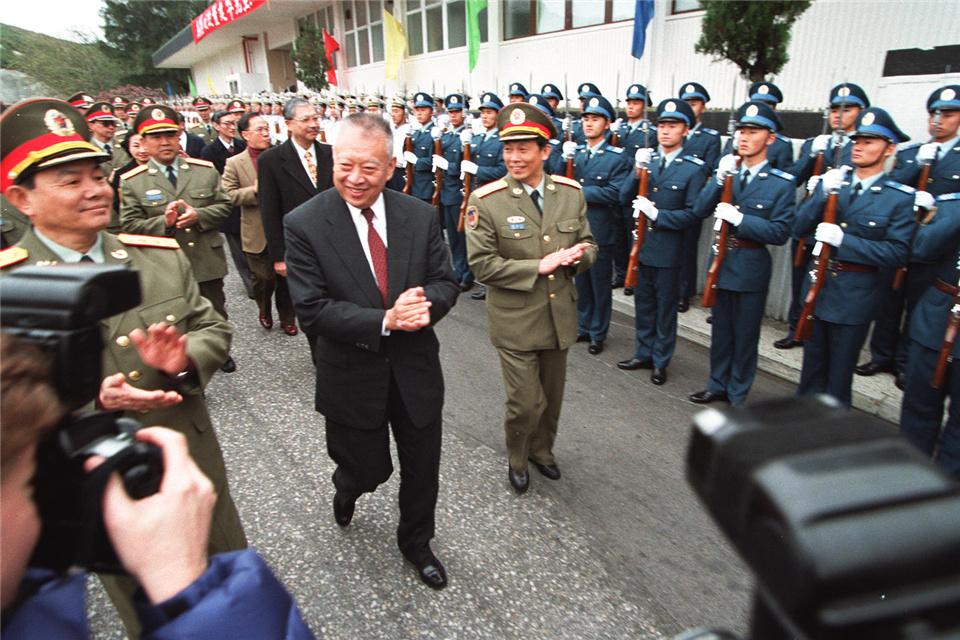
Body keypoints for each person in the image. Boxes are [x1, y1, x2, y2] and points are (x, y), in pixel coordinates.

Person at [0, 98, 247, 638]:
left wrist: (184, 361)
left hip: (189, 452)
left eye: (96, 174)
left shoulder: (155, 255)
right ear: (22, 199)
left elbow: (212, 328)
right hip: (93, 478)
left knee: (230, 580)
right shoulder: (8, 291)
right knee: (147, 608)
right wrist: (91, 404)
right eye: (71, 180)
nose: (95, 189)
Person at [0, 335, 315, 639]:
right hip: (113, 491)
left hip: (185, 447)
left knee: (223, 544)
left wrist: (183, 363)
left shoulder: (27, 608)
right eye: (30, 485)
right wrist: (183, 588)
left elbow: (212, 325)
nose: (42, 503)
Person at [284, 113, 459, 590]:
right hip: (350, 372)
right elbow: (312, 310)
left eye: (368, 168)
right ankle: (348, 488)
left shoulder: (418, 216)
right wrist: (384, 319)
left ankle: (417, 543)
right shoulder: (304, 224)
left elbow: (446, 282)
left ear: (390, 167)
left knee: (423, 469)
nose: (355, 178)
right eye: (345, 165)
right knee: (369, 468)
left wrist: (425, 306)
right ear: (332, 160)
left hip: (415, 369)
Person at [464, 102, 597, 494]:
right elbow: (481, 266)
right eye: (509, 148)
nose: (514, 157)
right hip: (515, 319)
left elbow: (589, 243)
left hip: (559, 315)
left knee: (551, 400)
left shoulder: (570, 194)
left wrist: (578, 257)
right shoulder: (486, 201)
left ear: (545, 151)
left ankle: (543, 452)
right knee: (525, 402)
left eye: (524, 148)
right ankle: (518, 457)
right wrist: (536, 267)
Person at [793, 107, 915, 408]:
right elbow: (799, 228)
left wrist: (845, 241)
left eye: (870, 142)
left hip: (855, 296)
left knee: (837, 380)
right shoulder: (836, 185)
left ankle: (833, 444)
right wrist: (821, 194)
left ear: (890, 149)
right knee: (810, 373)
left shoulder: (898, 198)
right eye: (857, 140)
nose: (858, 146)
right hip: (818, 288)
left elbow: (898, 252)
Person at [688, 100, 794, 407]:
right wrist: (718, 181)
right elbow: (699, 209)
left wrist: (743, 221)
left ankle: (737, 394)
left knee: (745, 337)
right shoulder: (729, 174)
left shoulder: (779, 184)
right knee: (721, 331)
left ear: (770, 138)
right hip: (720, 262)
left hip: (750, 265)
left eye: (753, 131)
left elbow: (780, 232)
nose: (743, 138)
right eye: (741, 131)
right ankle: (717, 384)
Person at [118, 104, 237, 373]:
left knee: (214, 308)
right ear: (144, 142)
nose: (164, 142)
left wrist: (200, 215)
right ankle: (182, 361)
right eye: (156, 137)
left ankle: (218, 352)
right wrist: (164, 223)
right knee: (174, 315)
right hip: (163, 262)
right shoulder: (132, 181)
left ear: (179, 135)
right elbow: (128, 226)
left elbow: (224, 205)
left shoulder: (203, 170)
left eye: (170, 135)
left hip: (204, 255)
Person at [857, 84, 960, 386]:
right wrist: (917, 163)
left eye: (949, 114)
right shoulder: (912, 153)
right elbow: (889, 185)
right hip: (899, 238)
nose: (938, 121)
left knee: (919, 305)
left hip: (937, 247)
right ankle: (881, 355)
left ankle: (905, 361)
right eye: (933, 115)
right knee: (888, 300)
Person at [616, 99, 708, 385]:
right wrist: (636, 171)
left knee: (665, 308)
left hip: (669, 250)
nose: (665, 131)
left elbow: (693, 214)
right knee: (644, 304)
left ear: (686, 131)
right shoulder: (648, 161)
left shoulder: (693, 169)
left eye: (673, 126)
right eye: (662, 126)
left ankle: (660, 360)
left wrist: (658, 215)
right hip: (642, 247)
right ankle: (643, 352)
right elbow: (622, 197)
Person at [775, 82, 870, 350]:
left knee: (829, 279)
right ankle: (797, 328)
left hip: (841, 225)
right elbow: (791, 178)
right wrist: (811, 157)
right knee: (800, 276)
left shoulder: (863, 146)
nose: (838, 115)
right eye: (834, 110)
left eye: (847, 109)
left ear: (861, 112)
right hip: (809, 219)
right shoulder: (815, 143)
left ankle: (820, 333)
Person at [560, 93, 630, 355]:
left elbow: (616, 192)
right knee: (581, 281)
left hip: (600, 227)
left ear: (608, 123)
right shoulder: (574, 153)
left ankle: (599, 332)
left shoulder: (616, 157)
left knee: (600, 283)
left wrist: (579, 190)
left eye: (596, 119)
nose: (589, 124)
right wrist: (561, 157)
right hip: (575, 226)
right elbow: (556, 180)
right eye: (586, 119)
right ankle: (584, 325)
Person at [899, 193, 960, 480]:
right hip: (937, 321)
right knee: (919, 409)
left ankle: (946, 490)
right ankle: (911, 482)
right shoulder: (951, 205)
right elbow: (919, 248)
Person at [223, 112, 298, 335]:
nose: (266, 134)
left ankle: (287, 318)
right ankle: (264, 309)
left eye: (267, 129)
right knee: (263, 279)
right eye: (260, 130)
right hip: (256, 231)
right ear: (245, 135)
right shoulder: (235, 163)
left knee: (287, 279)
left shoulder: (281, 158)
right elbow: (227, 195)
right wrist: (254, 191)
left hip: (283, 227)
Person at [257, 97, 333, 290]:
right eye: (305, 120)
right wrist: (279, 256)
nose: (313, 124)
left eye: (316, 119)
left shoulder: (332, 153)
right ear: (288, 124)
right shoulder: (271, 160)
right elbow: (270, 211)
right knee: (305, 297)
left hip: (333, 241)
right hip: (298, 245)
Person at [677, 81, 722, 312]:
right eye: (685, 104)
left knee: (687, 246)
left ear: (702, 108)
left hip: (693, 197)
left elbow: (711, 171)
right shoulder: (674, 130)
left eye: (693, 104)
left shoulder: (710, 137)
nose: (689, 108)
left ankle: (684, 292)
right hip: (670, 197)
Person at [614, 84, 658, 293]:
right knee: (619, 236)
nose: (631, 107)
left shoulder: (651, 132)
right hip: (615, 186)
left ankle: (633, 275)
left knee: (634, 234)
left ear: (645, 106)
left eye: (636, 103)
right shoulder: (619, 130)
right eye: (629, 103)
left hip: (635, 188)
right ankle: (621, 274)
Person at [465, 92, 508, 301]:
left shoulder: (502, 139)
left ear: (499, 115)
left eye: (489, 112)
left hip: (495, 197)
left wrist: (476, 170)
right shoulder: (480, 137)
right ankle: (485, 284)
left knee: (495, 244)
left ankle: (493, 286)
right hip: (478, 197)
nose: (484, 116)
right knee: (483, 242)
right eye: (482, 113)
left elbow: (502, 171)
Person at [432, 93, 475, 292]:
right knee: (453, 238)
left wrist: (447, 166)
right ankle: (458, 272)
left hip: (460, 192)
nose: (454, 116)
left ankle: (467, 274)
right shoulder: (447, 136)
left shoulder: (467, 137)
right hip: (446, 192)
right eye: (451, 112)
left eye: (457, 112)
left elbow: (463, 167)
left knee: (463, 237)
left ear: (464, 113)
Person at [402, 92, 437, 203]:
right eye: (417, 110)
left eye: (423, 110)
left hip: (426, 186)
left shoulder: (435, 134)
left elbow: (435, 161)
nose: (419, 114)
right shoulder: (415, 134)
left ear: (431, 112)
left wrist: (417, 161)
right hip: (413, 183)